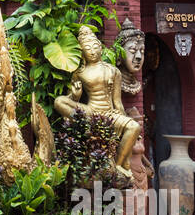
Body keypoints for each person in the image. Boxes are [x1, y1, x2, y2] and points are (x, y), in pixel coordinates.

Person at [53, 25, 141, 170]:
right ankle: (84, 124)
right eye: (88, 49)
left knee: (134, 126)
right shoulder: (79, 73)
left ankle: (118, 165)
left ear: (100, 47)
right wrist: (75, 95)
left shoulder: (113, 70)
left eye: (95, 47)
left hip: (109, 113)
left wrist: (122, 116)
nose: (92, 51)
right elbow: (71, 100)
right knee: (59, 101)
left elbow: (117, 101)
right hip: (90, 112)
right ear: (83, 52)